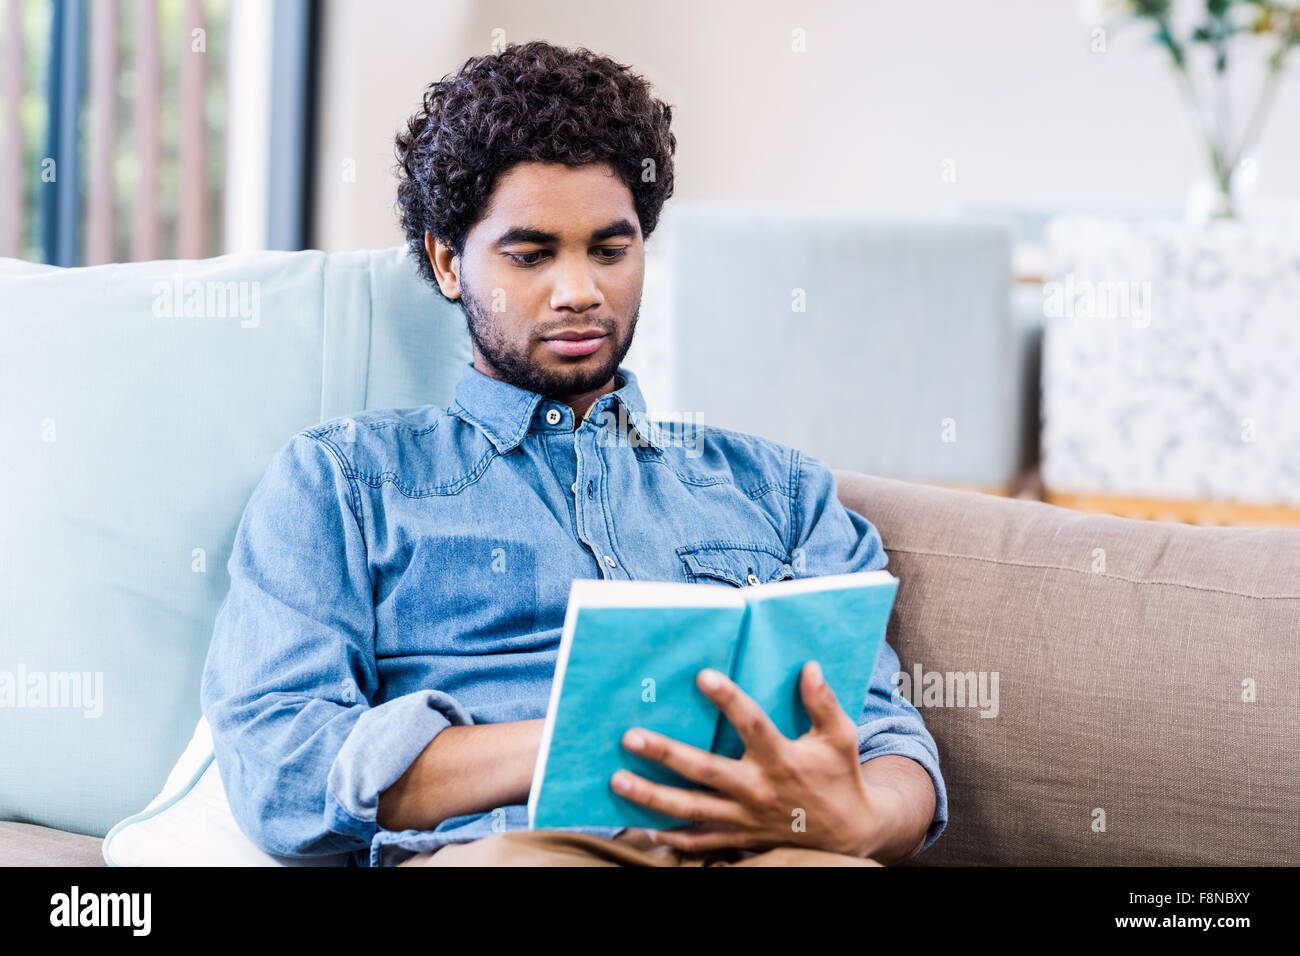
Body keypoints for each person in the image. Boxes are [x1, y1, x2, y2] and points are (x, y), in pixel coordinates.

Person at [200, 40, 947, 868]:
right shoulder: (347, 481)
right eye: (531, 254)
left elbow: (887, 736)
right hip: (515, 848)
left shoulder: (781, 492)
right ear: (449, 263)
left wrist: (858, 821)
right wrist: (593, 735)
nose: (579, 291)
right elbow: (283, 768)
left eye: (609, 249)